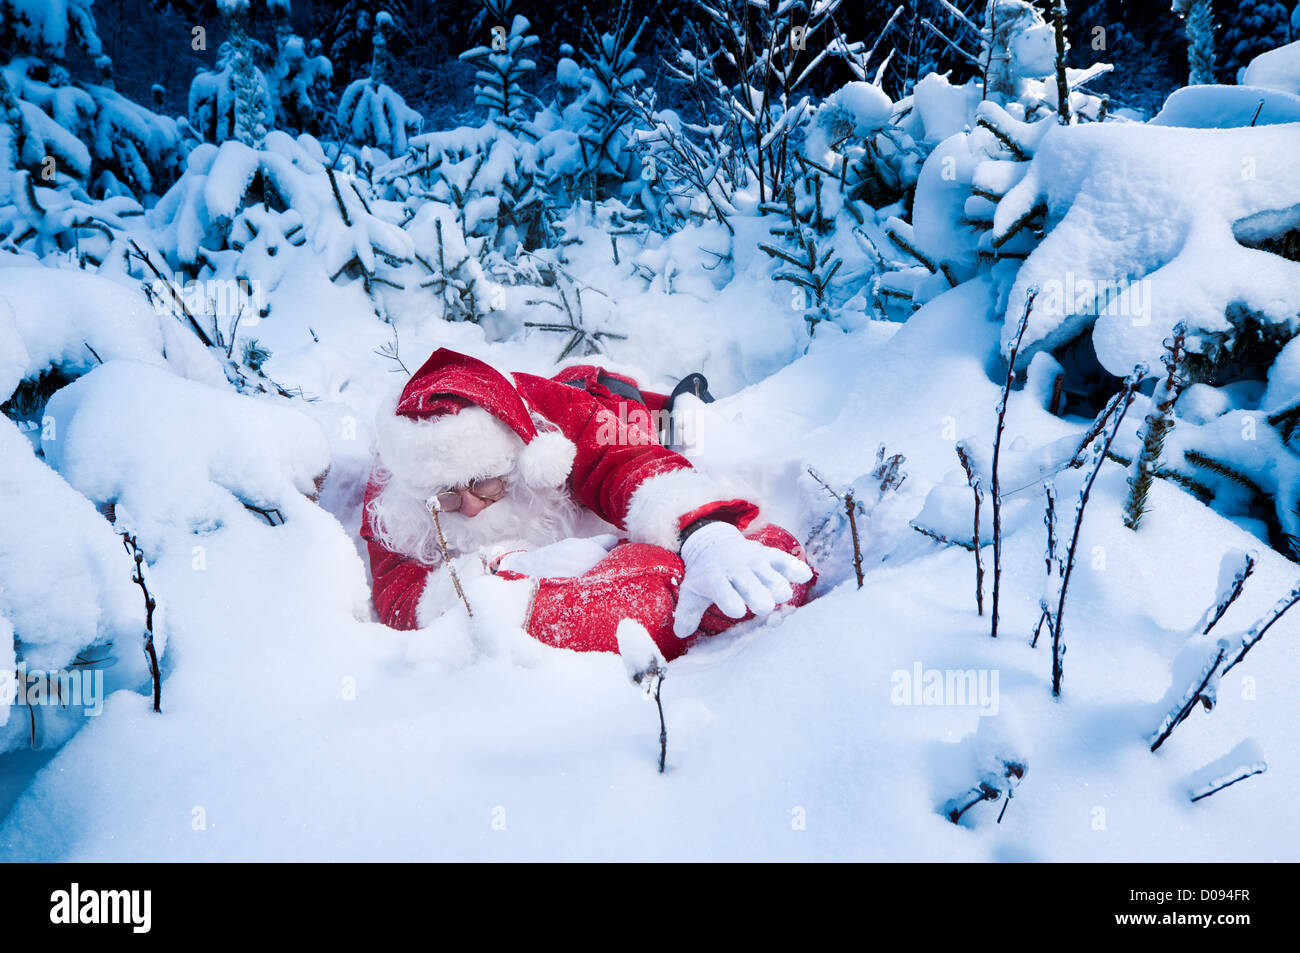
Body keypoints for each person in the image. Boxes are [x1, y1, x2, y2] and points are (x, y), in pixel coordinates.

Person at [360, 347, 814, 660]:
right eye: (448, 498)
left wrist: (705, 535)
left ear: (521, 464)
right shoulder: (403, 474)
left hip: (594, 401)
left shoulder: (549, 422)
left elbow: (626, 459)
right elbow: (400, 596)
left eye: (486, 486)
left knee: (631, 414)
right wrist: (502, 572)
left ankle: (676, 401)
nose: (472, 509)